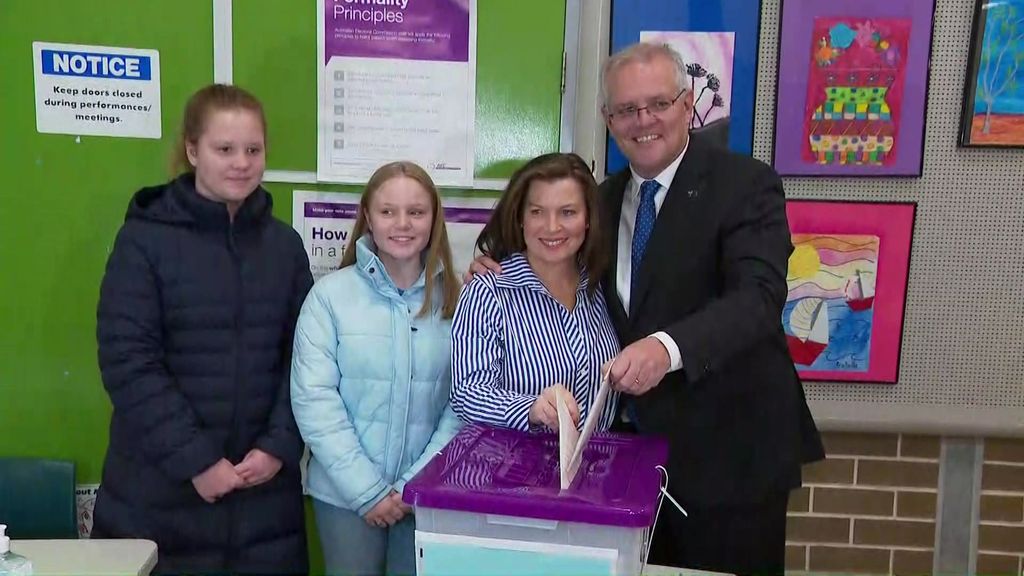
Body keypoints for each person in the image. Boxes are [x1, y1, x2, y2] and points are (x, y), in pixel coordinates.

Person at [472, 43, 824, 575]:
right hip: (633, 468)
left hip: (733, 460)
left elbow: (758, 297)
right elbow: (542, 238)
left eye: (658, 103)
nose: (643, 121)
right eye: (626, 110)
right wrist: (488, 260)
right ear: (607, 119)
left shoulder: (745, 185)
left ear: (688, 104)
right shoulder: (602, 200)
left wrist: (666, 348)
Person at [93, 84, 311, 575]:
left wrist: (279, 445)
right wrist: (196, 461)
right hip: (159, 499)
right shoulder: (143, 241)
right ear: (193, 150)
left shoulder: (285, 247)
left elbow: (307, 359)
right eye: (225, 149)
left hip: (264, 510)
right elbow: (129, 361)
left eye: (253, 150)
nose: (241, 163)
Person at [290, 161, 463, 576]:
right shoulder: (329, 297)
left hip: (425, 495)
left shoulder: (459, 301)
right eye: (388, 212)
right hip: (344, 496)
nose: (402, 224)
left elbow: (463, 403)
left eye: (416, 212)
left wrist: (411, 486)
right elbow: (314, 401)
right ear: (368, 216)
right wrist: (367, 490)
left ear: (433, 219)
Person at [451, 153, 620, 433]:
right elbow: (466, 393)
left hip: (595, 468)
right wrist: (530, 409)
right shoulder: (488, 291)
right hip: (512, 471)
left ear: (588, 219)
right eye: (537, 212)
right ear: (520, 218)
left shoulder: (600, 285)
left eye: (568, 212)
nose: (552, 227)